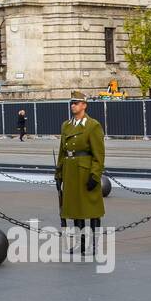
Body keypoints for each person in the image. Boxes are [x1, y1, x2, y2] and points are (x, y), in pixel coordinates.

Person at [53, 90, 105, 256]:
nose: (73, 106)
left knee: (92, 210)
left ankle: (94, 245)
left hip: (85, 172)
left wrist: (95, 175)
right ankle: (80, 245)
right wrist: (58, 173)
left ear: (84, 105)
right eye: (72, 103)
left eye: (76, 103)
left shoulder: (93, 125)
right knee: (75, 211)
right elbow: (62, 150)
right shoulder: (66, 125)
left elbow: (99, 154)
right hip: (70, 172)